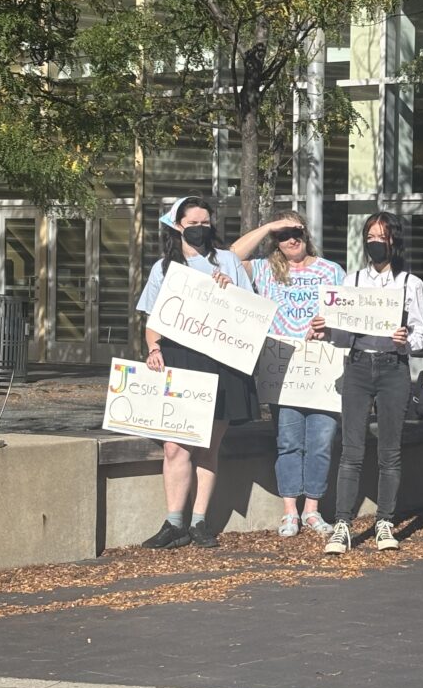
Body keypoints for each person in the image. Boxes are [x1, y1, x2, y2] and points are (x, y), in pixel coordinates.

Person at [137, 195, 260, 549]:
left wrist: (231, 291)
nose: (201, 228)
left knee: (208, 445)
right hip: (180, 360)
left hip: (222, 360)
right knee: (175, 446)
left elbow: (249, 310)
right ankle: (174, 523)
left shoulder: (228, 261)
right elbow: (152, 320)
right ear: (178, 226)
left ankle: (199, 522)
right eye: (193, 223)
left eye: (206, 222)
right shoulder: (163, 269)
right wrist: (154, 349)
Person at [310, 212, 423, 554]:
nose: (375, 242)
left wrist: (406, 339)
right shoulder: (353, 280)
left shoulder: (411, 283)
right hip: (359, 366)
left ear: (395, 240)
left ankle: (385, 521)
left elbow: (420, 332)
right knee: (351, 450)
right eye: (370, 236)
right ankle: (343, 523)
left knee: (390, 451)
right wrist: (326, 330)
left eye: (382, 236)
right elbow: (343, 330)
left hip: (393, 367)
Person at [231, 211, 346, 538]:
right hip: (282, 371)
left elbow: (347, 313)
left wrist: (330, 326)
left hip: (323, 368)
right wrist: (269, 225)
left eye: (296, 232)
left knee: (322, 441)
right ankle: (290, 511)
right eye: (283, 235)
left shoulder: (331, 270)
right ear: (274, 240)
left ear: (306, 234)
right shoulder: (264, 270)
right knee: (288, 441)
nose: (291, 239)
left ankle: (312, 510)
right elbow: (230, 258)